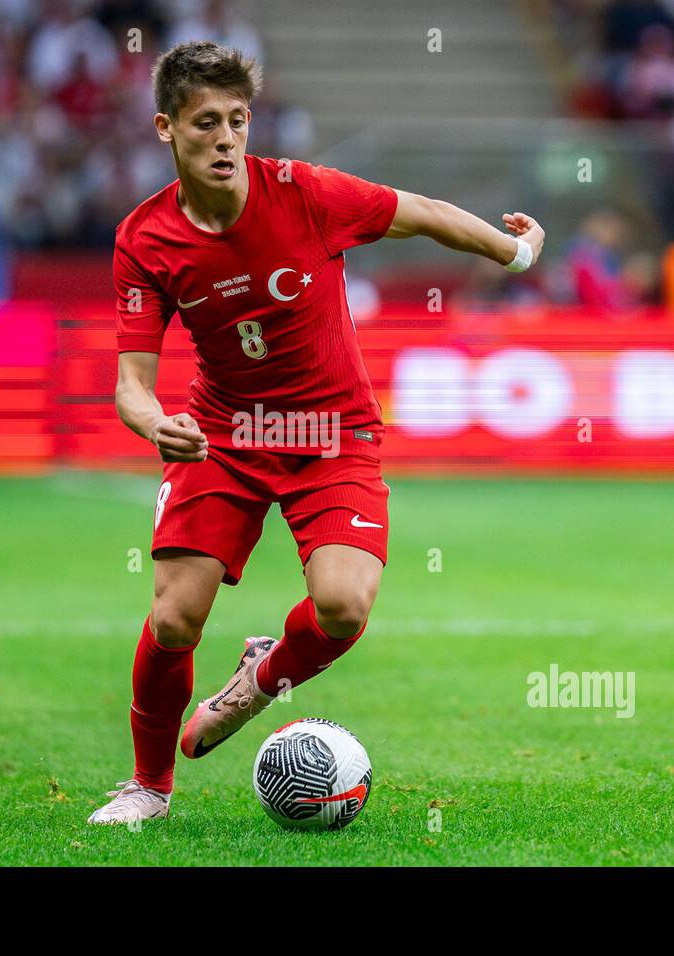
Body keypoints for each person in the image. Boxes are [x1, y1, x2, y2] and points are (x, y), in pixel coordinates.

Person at [90, 41, 545, 824]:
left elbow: (424, 213)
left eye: (238, 120)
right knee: (173, 618)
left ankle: (261, 680)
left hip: (332, 433)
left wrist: (514, 250)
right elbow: (131, 382)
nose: (227, 138)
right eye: (206, 124)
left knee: (342, 607)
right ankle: (147, 788)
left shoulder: (306, 193)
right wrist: (154, 422)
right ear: (166, 128)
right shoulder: (145, 238)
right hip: (223, 433)